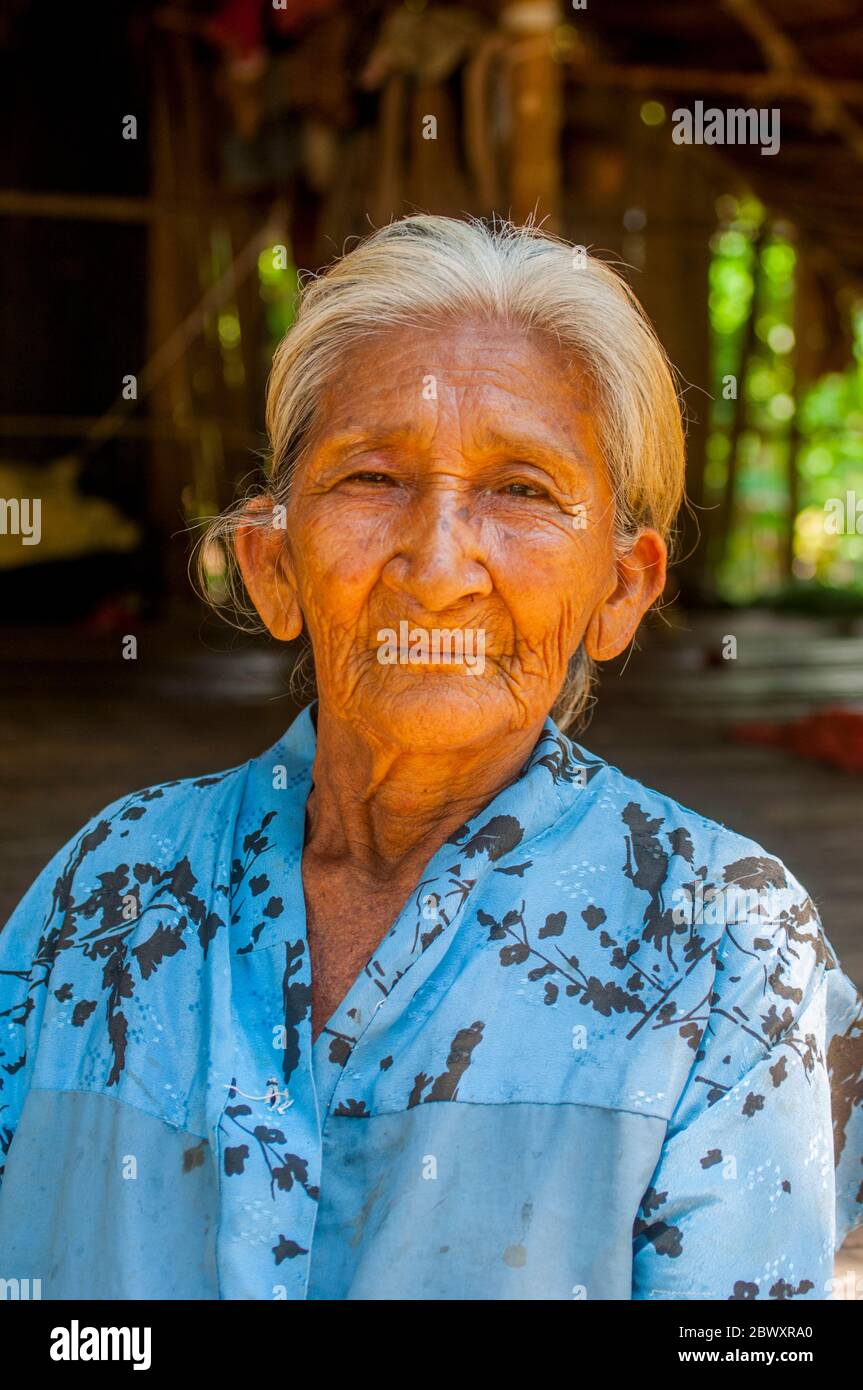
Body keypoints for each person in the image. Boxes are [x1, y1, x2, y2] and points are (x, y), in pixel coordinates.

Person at [1, 216, 860, 1300]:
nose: (440, 562)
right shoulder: (107, 892)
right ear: (271, 566)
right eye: (372, 478)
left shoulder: (723, 946)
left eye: (521, 489)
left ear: (620, 589)